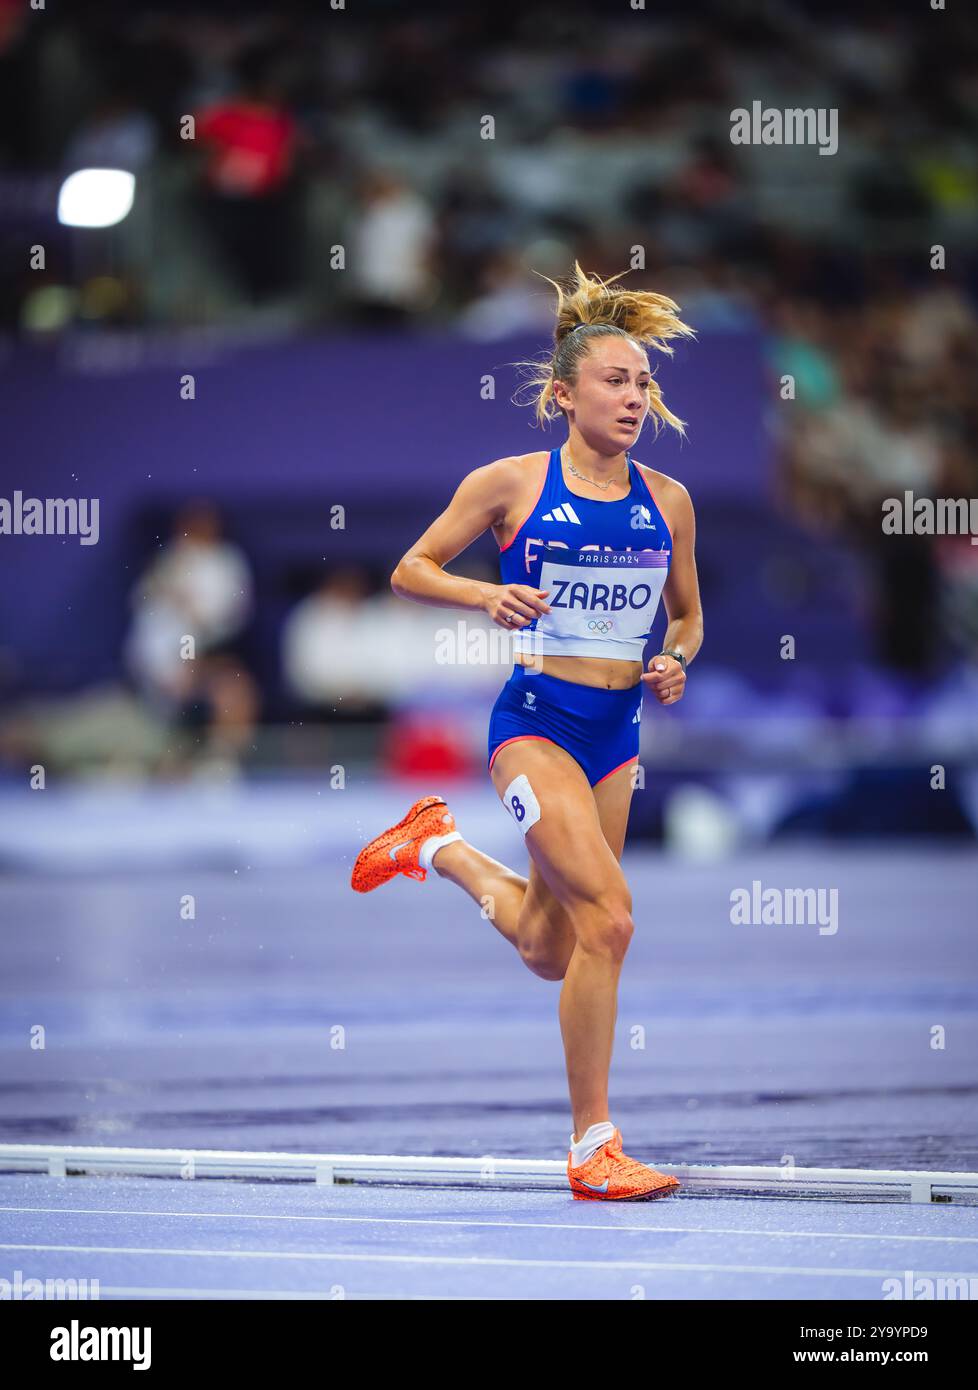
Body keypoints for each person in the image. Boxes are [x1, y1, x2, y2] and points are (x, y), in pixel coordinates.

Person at [350, 262, 703, 1201]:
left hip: (616, 737)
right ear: (563, 395)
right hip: (535, 726)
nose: (633, 397)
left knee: (556, 947)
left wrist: (676, 658)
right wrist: (483, 590)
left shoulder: (669, 499)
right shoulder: (509, 483)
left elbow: (689, 619)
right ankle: (594, 1146)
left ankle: (437, 846)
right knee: (613, 921)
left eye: (643, 384)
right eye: (614, 381)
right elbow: (410, 568)